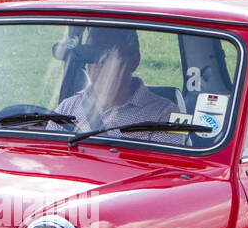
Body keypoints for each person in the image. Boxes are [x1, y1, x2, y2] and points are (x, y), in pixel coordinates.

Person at [50, 27, 185, 146]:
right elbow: (47, 158)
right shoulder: (67, 108)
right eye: (91, 55)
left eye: (105, 56)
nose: (97, 65)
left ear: (133, 61)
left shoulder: (164, 114)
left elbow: (163, 170)